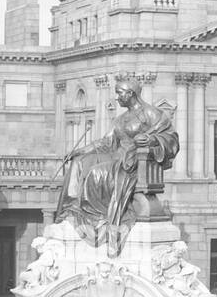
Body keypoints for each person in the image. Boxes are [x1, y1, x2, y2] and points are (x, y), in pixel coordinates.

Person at [53, 78, 179, 256]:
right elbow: (107, 141)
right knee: (79, 163)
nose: (117, 97)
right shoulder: (121, 119)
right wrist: (81, 150)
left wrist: (151, 140)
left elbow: (171, 138)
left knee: (96, 173)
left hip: (132, 163)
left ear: (131, 94)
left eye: (120, 93)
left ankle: (94, 214)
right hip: (116, 156)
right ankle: (72, 210)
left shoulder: (151, 113)